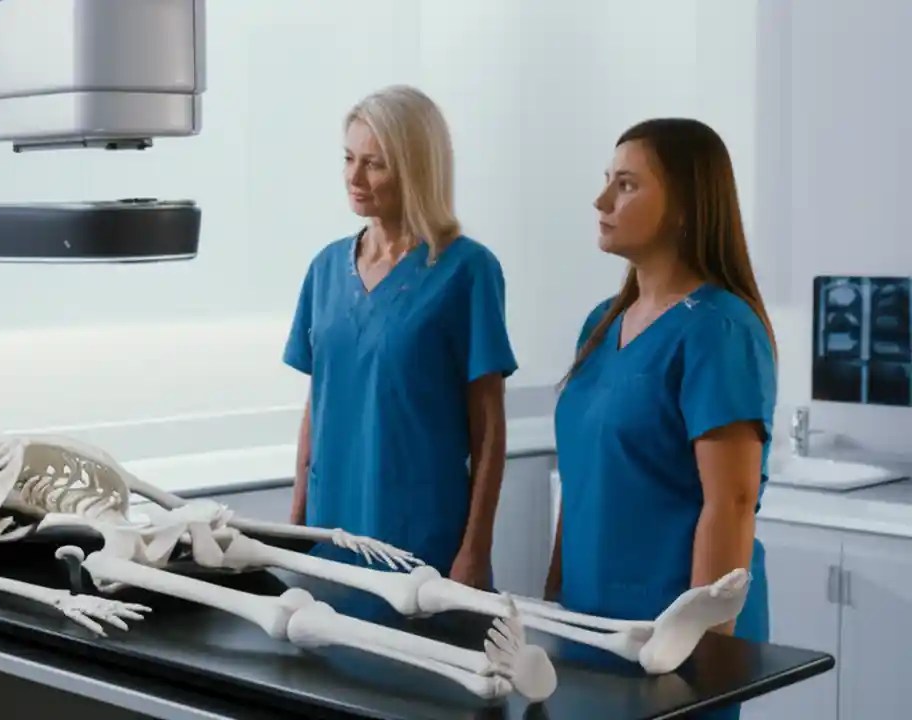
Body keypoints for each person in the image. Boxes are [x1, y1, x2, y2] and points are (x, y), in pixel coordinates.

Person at [546, 118, 775, 716]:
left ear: (684, 208)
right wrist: (554, 599)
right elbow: (582, 476)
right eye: (607, 182)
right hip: (589, 621)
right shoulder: (601, 323)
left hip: (674, 639)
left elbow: (731, 502)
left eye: (626, 185)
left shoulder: (717, 329)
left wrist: (703, 651)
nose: (602, 201)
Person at [282, 85, 517, 589]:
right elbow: (316, 407)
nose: (354, 177)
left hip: (422, 537)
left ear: (415, 167)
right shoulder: (325, 269)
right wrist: (295, 523)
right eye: (349, 158)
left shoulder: (468, 271)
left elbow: (490, 433)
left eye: (375, 163)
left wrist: (475, 549)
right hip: (332, 532)